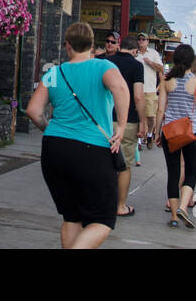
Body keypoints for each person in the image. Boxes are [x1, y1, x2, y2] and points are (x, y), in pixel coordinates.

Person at [26, 21, 130, 249]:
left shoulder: (54, 73)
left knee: (72, 216)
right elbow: (121, 89)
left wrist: (49, 128)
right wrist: (120, 127)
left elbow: (33, 111)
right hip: (92, 150)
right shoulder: (102, 67)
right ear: (92, 45)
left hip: (54, 149)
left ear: (67, 46)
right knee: (103, 219)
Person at [157, 43, 196, 229]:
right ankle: (184, 208)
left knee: (173, 173)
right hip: (191, 131)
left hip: (170, 131)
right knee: (191, 172)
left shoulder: (166, 81)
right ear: (191, 62)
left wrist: (156, 132)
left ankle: (173, 216)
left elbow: (161, 109)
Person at [106, 35, 146, 217]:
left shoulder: (106, 62)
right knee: (124, 164)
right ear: (135, 51)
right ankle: (120, 206)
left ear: (120, 46)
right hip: (127, 119)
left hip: (105, 118)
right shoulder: (137, 66)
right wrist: (143, 121)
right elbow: (138, 96)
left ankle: (102, 201)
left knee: (103, 162)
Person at [137, 33, 164, 148]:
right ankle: (138, 141)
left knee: (151, 117)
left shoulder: (153, 54)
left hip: (150, 90)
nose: (141, 41)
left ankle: (149, 135)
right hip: (137, 89)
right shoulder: (134, 53)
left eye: (144, 39)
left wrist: (150, 62)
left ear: (148, 41)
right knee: (137, 115)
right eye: (139, 39)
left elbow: (161, 68)